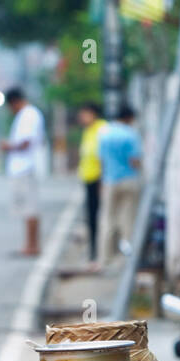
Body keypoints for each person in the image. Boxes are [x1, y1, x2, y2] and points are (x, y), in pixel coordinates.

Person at [0, 87, 47, 257]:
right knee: (28, 208)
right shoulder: (27, 115)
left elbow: (26, 142)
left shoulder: (28, 115)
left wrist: (7, 146)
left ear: (14, 102)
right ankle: (30, 244)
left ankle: (32, 245)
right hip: (23, 167)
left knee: (30, 208)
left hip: (26, 167)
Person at [97, 104, 143, 268]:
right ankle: (127, 261)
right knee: (127, 221)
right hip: (129, 180)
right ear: (128, 118)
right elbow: (135, 160)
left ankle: (104, 259)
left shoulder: (104, 133)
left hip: (110, 180)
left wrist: (102, 181)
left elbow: (101, 160)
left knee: (107, 220)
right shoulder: (130, 134)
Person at [76, 102, 107, 270]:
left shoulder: (102, 129)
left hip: (99, 180)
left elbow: (104, 156)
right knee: (91, 218)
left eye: (85, 113)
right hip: (88, 179)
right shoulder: (88, 130)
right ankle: (93, 253)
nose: (82, 117)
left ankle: (99, 255)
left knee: (100, 219)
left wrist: (103, 180)